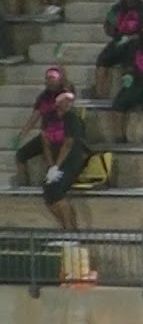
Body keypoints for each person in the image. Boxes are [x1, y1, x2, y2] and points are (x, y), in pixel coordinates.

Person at [34, 92, 88, 230]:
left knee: (57, 190)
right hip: (55, 162)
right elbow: (45, 144)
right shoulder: (48, 119)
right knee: (48, 192)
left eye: (70, 101)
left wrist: (57, 166)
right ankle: (65, 227)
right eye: (66, 100)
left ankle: (71, 229)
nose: (69, 103)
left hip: (71, 159)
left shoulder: (71, 118)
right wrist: (51, 166)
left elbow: (68, 144)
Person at [92, 0, 143, 97]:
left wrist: (133, 37)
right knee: (102, 60)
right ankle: (99, 92)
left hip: (139, 42)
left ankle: (128, 90)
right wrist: (112, 29)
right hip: (120, 41)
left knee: (131, 59)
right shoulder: (116, 9)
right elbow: (108, 26)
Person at [13, 67, 76, 184]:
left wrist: (64, 76)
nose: (49, 81)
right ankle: (23, 184)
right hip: (47, 134)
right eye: (47, 78)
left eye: (53, 78)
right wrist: (21, 135)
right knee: (20, 155)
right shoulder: (43, 97)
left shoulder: (65, 93)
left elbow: (69, 92)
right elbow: (34, 118)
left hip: (64, 133)